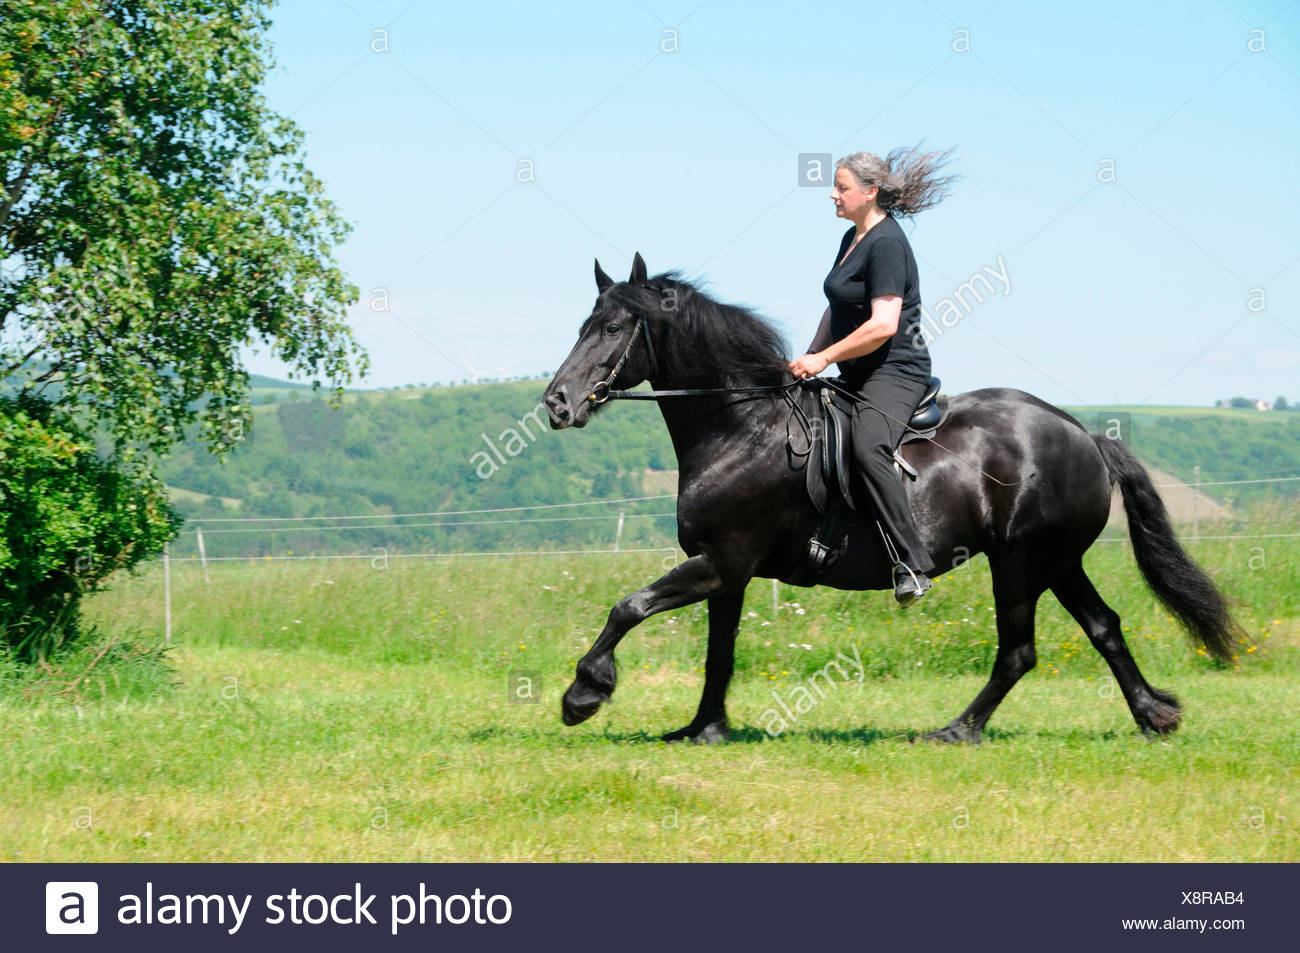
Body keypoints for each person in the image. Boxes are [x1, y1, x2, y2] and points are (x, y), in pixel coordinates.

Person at [788, 146, 957, 606]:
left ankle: (912, 563)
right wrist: (809, 355)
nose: (832, 195)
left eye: (841, 188)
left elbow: (883, 326)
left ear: (870, 192)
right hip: (857, 369)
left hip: (895, 369)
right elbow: (837, 306)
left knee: (867, 445)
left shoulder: (887, 244)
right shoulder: (853, 239)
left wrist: (824, 361)